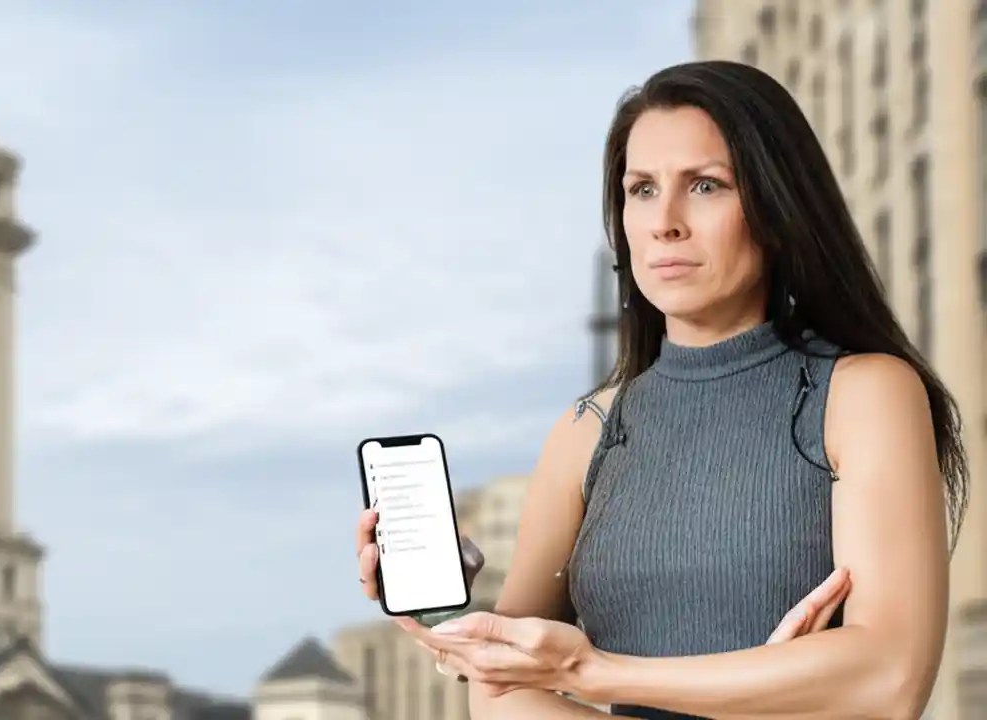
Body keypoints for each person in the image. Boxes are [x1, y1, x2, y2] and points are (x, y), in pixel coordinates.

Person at [353, 59, 965, 719]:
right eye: (642, 189)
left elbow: (889, 679)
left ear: (778, 207)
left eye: (705, 186)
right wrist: (444, 607)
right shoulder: (586, 430)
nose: (665, 222)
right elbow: (502, 687)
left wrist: (591, 669)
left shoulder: (864, 394)